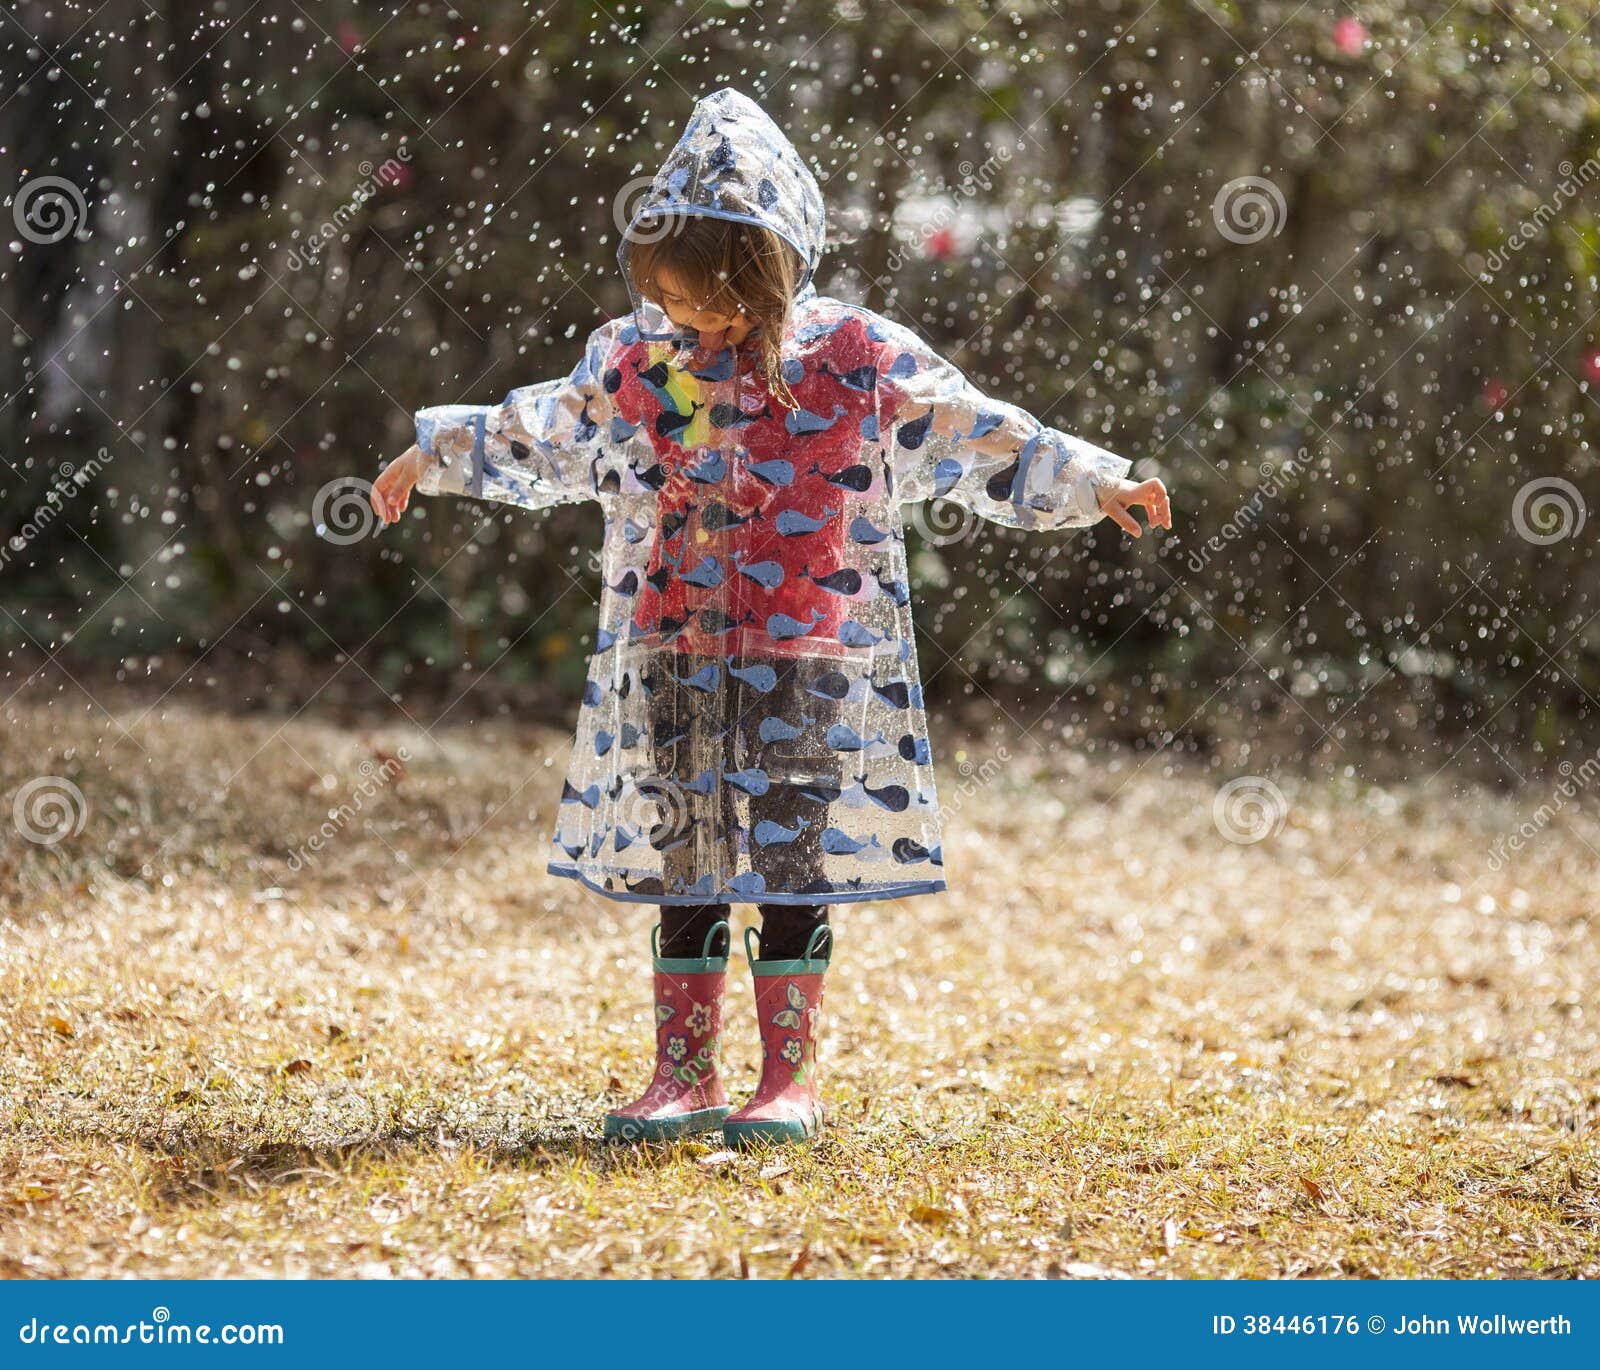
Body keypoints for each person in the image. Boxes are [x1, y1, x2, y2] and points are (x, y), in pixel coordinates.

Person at [370, 88, 1172, 1148]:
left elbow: (973, 427)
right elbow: (549, 427)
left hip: (807, 652)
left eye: (703, 298)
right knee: (684, 855)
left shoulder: (855, 359)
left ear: (768, 271)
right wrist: (434, 451)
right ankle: (683, 1072)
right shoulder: (636, 359)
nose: (684, 316)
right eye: (667, 295)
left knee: (793, 858)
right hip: (673, 645)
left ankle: (786, 1076)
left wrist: (1095, 479)